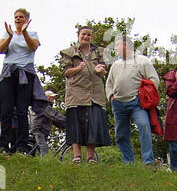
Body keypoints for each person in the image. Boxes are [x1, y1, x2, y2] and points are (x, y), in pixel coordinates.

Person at [102, 32, 157, 166]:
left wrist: (144, 94)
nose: (115, 48)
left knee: (144, 126)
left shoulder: (142, 60)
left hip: (136, 103)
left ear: (126, 45)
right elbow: (109, 84)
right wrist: (111, 96)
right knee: (121, 134)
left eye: (117, 45)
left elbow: (154, 79)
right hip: (118, 104)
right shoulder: (115, 65)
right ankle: (128, 163)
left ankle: (148, 162)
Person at [54, 26, 108, 161]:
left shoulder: (100, 51)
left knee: (93, 124)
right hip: (76, 93)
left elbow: (103, 67)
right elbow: (66, 72)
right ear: (78, 35)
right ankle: (76, 156)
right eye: (83, 34)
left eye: (89, 35)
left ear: (92, 37)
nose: (86, 37)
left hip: (95, 93)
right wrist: (78, 68)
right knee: (75, 124)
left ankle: (91, 158)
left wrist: (100, 70)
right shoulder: (69, 52)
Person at [0, 9, 41, 156]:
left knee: (22, 111)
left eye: (21, 17)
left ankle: (22, 147)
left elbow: (33, 47)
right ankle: (4, 146)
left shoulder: (33, 34)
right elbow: (1, 49)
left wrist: (24, 33)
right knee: (6, 110)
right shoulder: (7, 34)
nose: (18, 19)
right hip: (8, 73)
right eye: (16, 17)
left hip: (25, 74)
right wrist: (11, 36)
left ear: (27, 20)